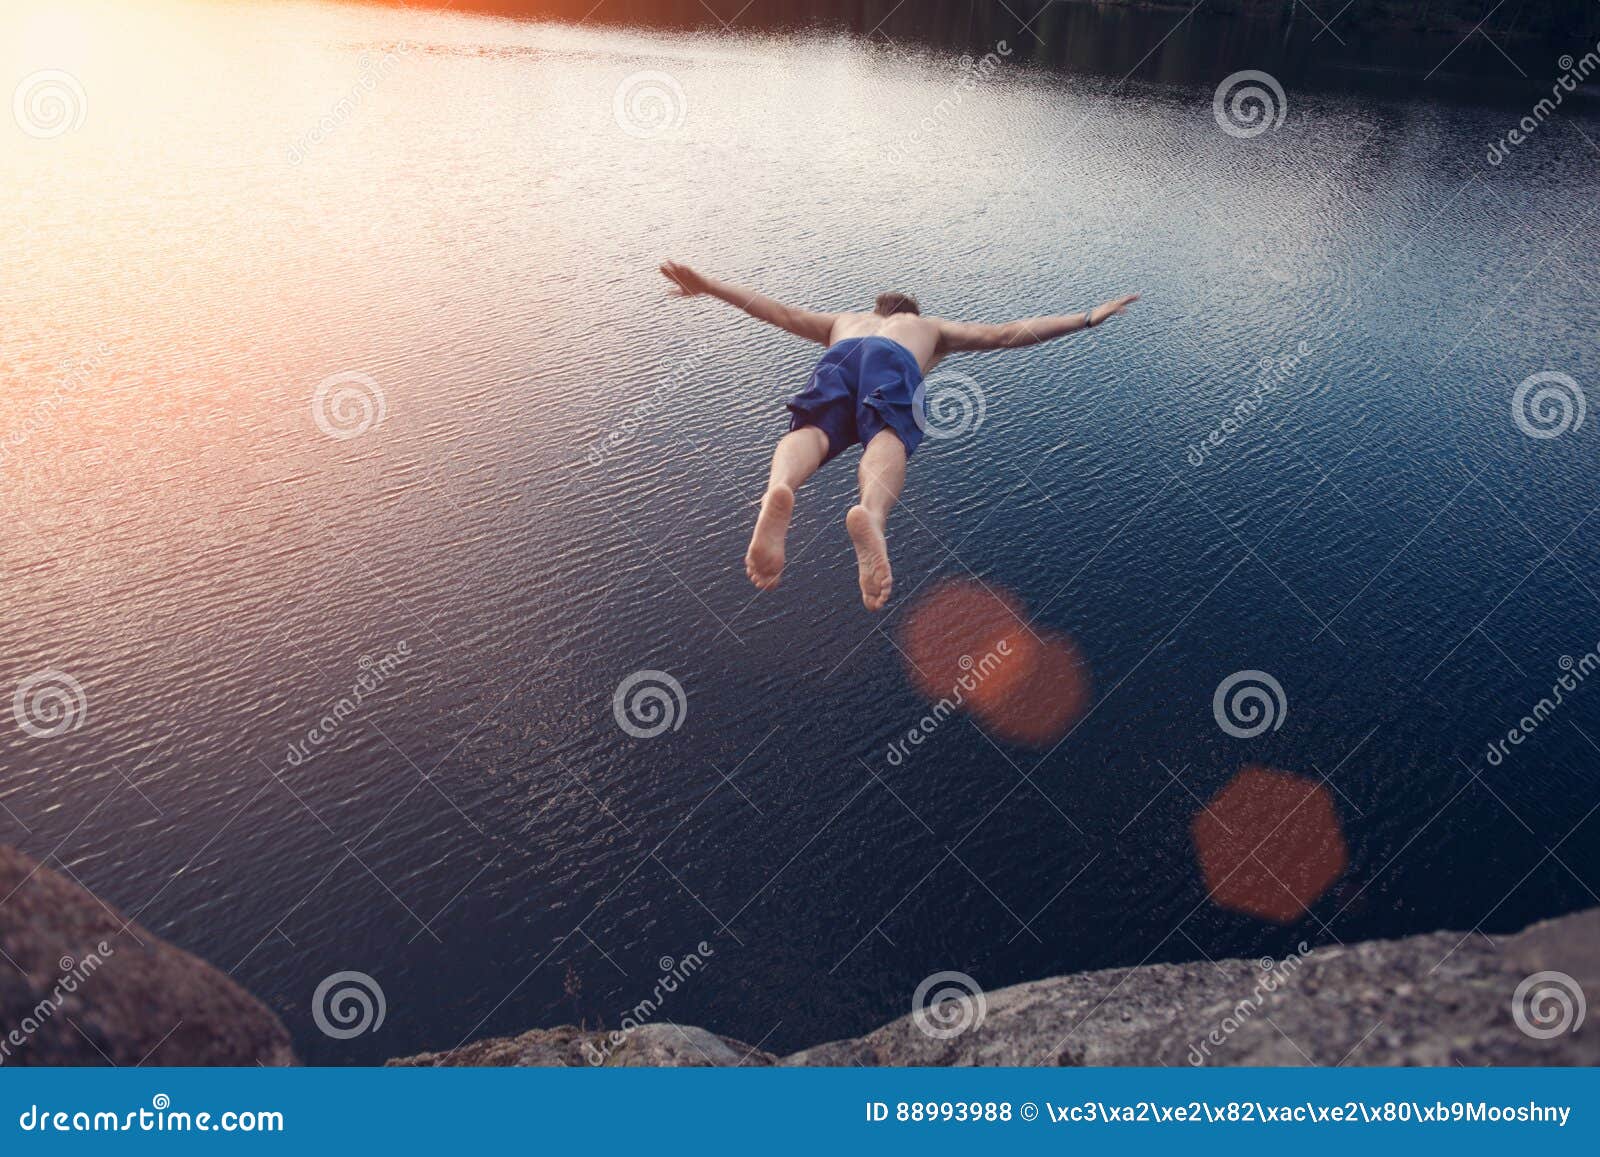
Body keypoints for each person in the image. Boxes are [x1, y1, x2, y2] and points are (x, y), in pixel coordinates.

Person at [660, 261, 1138, 611]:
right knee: (887, 432)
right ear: (910, 311)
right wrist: (1086, 318)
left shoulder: (843, 321)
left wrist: (709, 286)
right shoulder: (926, 327)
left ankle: (779, 488)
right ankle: (870, 513)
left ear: (877, 309)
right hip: (893, 363)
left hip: (840, 355)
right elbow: (1006, 334)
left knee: (814, 429)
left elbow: (778, 311)